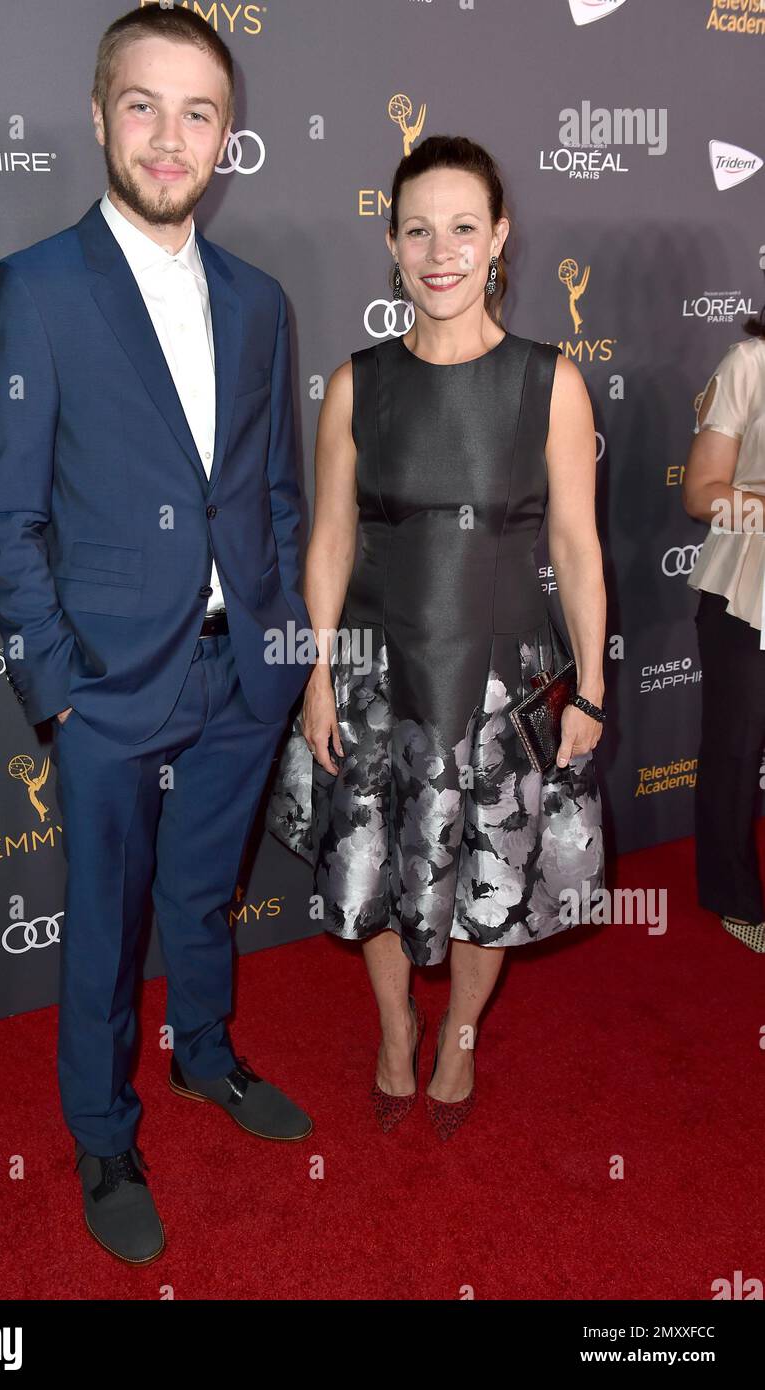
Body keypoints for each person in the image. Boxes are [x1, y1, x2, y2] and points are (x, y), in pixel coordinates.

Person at [0, 6, 313, 1265]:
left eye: (200, 112)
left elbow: (274, 489)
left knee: (204, 901)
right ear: (101, 112)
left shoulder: (260, 302)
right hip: (109, 693)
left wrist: (280, 652)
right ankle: (103, 1135)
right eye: (145, 105)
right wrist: (59, 691)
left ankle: (206, 1059)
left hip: (239, 677)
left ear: (229, 137)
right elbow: (3, 519)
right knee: (105, 933)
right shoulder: (36, 291)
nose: (172, 139)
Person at [267, 135, 606, 1141]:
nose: (441, 248)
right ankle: (393, 1028)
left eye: (464, 226)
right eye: (419, 228)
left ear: (500, 237)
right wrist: (317, 671)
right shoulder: (356, 384)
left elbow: (580, 549)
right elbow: (329, 537)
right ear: (393, 242)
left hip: (502, 687)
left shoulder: (550, 381)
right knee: (365, 876)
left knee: (489, 889)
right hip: (376, 676)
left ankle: (459, 1035)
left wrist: (591, 686)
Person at [683, 302, 765, 953]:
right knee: (737, 749)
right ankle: (731, 893)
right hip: (748, 586)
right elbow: (700, 491)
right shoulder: (749, 362)